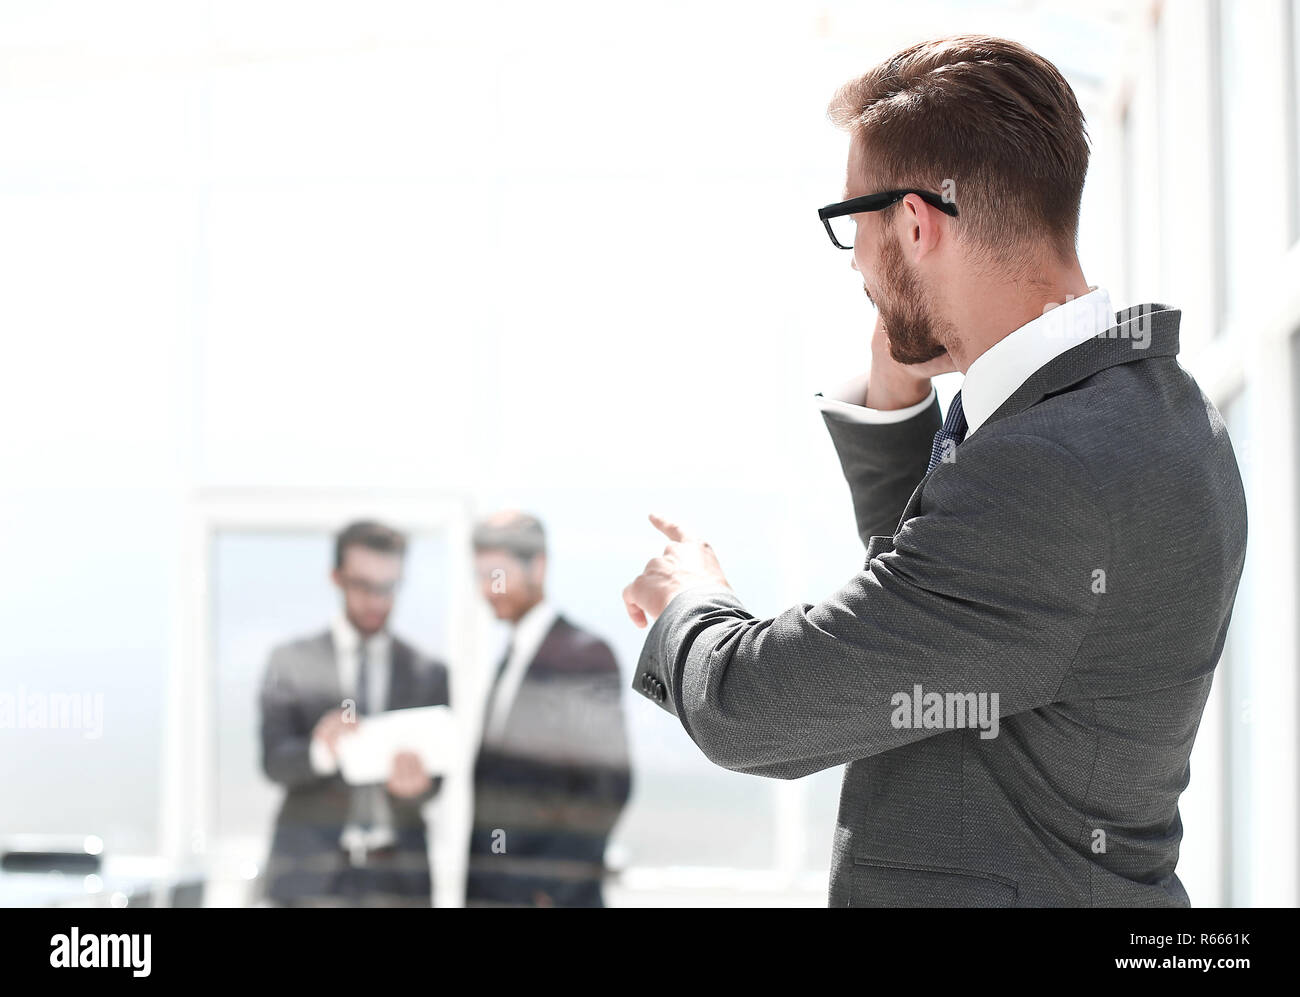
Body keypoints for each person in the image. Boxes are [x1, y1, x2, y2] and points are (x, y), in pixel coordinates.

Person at [621, 35, 1247, 908]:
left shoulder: (1050, 468)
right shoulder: (1148, 404)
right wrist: (894, 398)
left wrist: (691, 598)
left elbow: (754, 709)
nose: (855, 266)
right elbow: (948, 625)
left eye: (854, 228)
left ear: (915, 223)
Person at [259, 520, 450, 906]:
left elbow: (437, 779)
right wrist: (320, 751)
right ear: (337, 578)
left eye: (388, 587)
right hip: (309, 877)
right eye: (363, 585)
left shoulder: (428, 672)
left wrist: (420, 785)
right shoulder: (291, 662)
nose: (376, 600)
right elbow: (274, 762)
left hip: (397, 880)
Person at [467, 510, 632, 907]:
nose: (487, 589)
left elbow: (607, 786)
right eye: (480, 577)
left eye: (496, 575)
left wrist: (547, 892)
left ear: (536, 567)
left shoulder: (583, 655)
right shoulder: (508, 661)